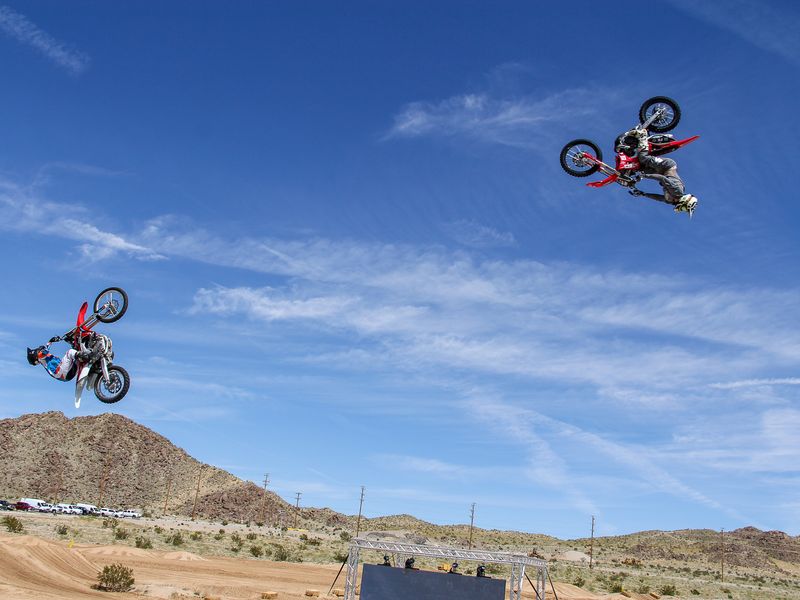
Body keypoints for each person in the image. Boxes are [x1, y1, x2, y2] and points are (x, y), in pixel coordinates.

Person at [626, 127, 698, 213]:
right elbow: (662, 179)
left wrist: (643, 194)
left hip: (661, 171)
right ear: (686, 202)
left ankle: (628, 154)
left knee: (638, 168)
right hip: (667, 166)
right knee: (643, 159)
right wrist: (643, 176)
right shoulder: (677, 191)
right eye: (685, 209)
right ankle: (642, 136)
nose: (683, 210)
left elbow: (659, 198)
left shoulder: (671, 200)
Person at [26, 337, 94, 381]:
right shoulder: (40, 357)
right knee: (69, 352)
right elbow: (46, 350)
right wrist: (50, 341)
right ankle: (85, 355)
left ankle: (93, 369)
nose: (38, 350)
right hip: (61, 373)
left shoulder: (44, 359)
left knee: (76, 357)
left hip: (66, 376)